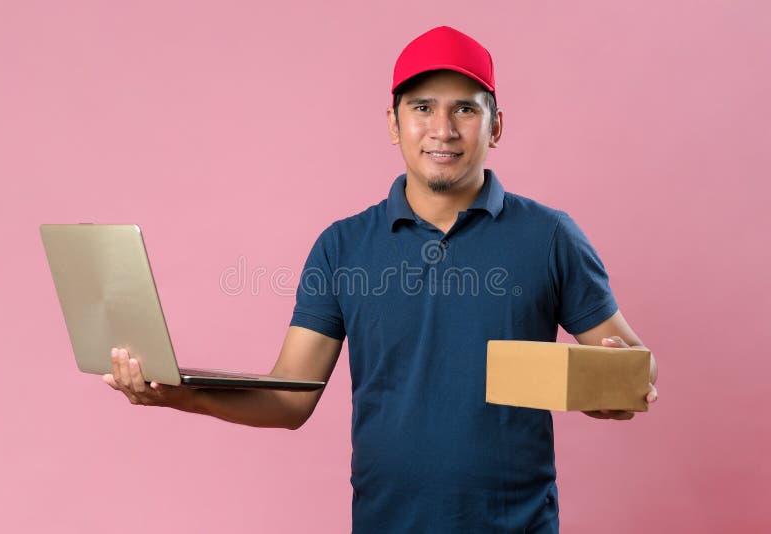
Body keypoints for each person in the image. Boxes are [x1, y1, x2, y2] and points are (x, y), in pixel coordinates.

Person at [104, 26, 658, 533]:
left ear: (496, 125)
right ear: (394, 123)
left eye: (466, 109)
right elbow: (289, 399)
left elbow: (636, 366)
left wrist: (613, 387)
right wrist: (182, 395)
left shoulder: (550, 236)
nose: (443, 130)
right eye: (422, 107)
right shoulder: (343, 246)